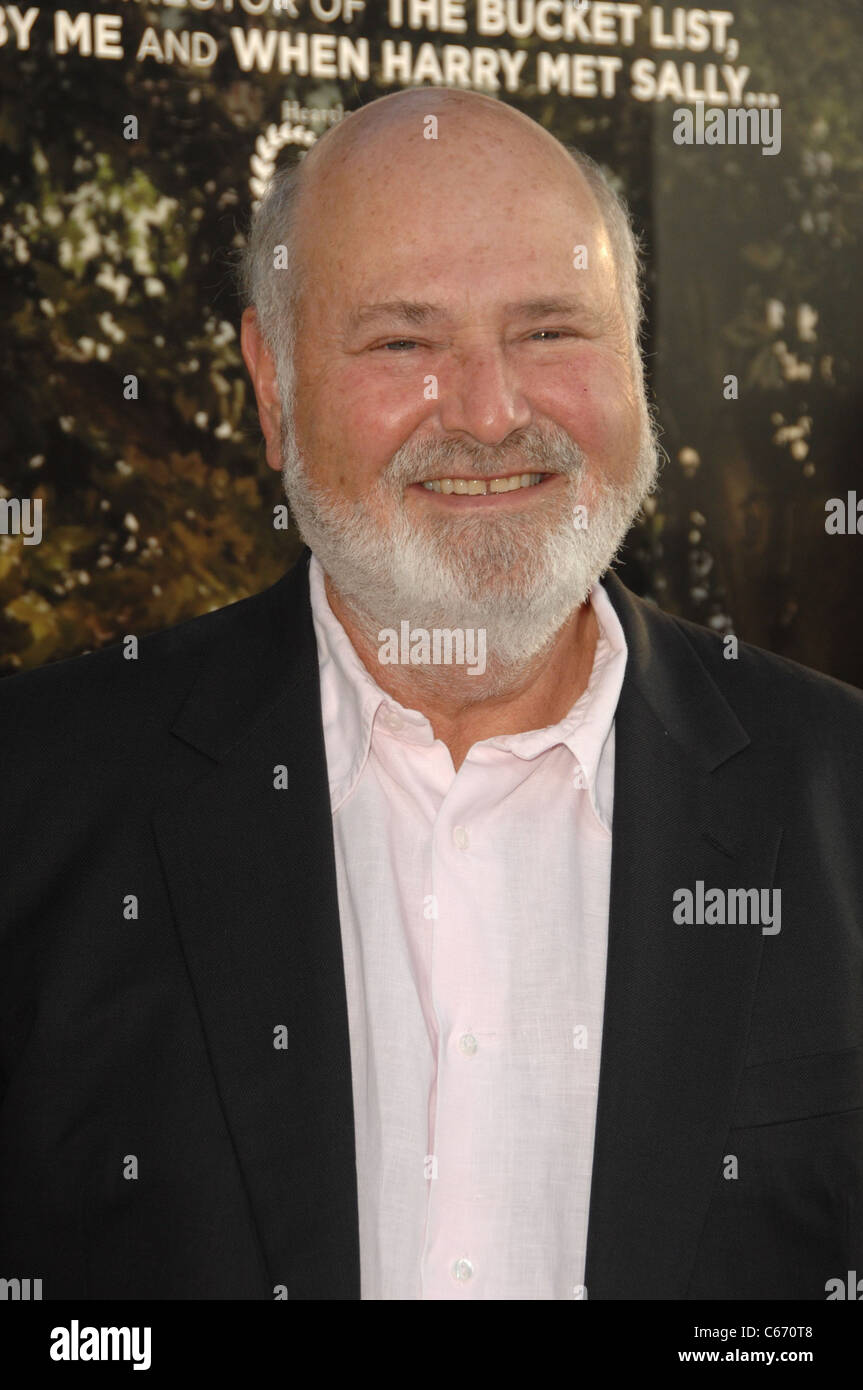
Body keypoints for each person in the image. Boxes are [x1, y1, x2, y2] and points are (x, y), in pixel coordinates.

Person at [1, 88, 861, 1302]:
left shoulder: (840, 798)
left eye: (550, 332)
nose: (487, 412)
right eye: (402, 342)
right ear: (270, 382)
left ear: (633, 356)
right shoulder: (35, 801)